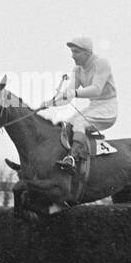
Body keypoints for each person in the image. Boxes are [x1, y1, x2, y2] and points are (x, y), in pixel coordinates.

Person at [38, 35, 118, 175]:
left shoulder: (101, 63)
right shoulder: (77, 69)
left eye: (76, 52)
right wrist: (50, 103)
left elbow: (96, 89)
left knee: (79, 122)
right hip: (94, 107)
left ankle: (73, 159)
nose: (72, 56)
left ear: (86, 52)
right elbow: (68, 96)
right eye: (72, 52)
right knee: (66, 125)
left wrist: (74, 93)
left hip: (108, 108)